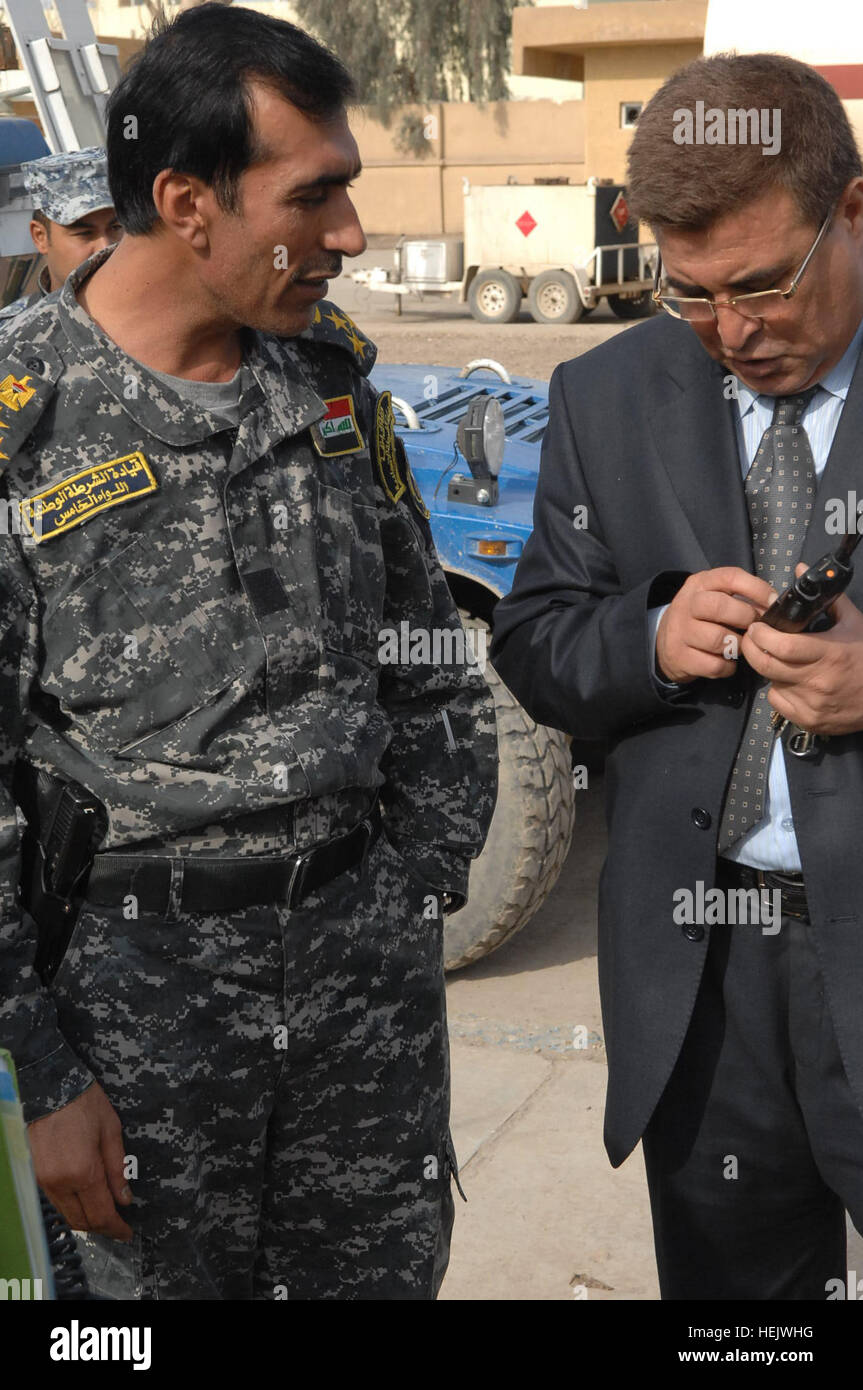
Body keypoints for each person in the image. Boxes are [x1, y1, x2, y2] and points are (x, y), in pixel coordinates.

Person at [0, 3, 497, 1300]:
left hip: (359, 984)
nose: (350, 233)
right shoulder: (21, 417)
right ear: (186, 201)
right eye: (315, 194)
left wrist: (412, 884)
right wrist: (44, 1074)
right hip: (135, 1006)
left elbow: (424, 653)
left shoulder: (324, 378)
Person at [491, 51, 863, 1301]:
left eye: (762, 285)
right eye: (691, 296)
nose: (734, 334)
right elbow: (533, 636)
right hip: (704, 976)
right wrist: (647, 638)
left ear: (850, 212)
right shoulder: (604, 395)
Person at [0, 147, 121, 323]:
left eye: (116, 227)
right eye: (85, 234)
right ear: (40, 237)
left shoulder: (162, 308)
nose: (105, 247)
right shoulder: (11, 336)